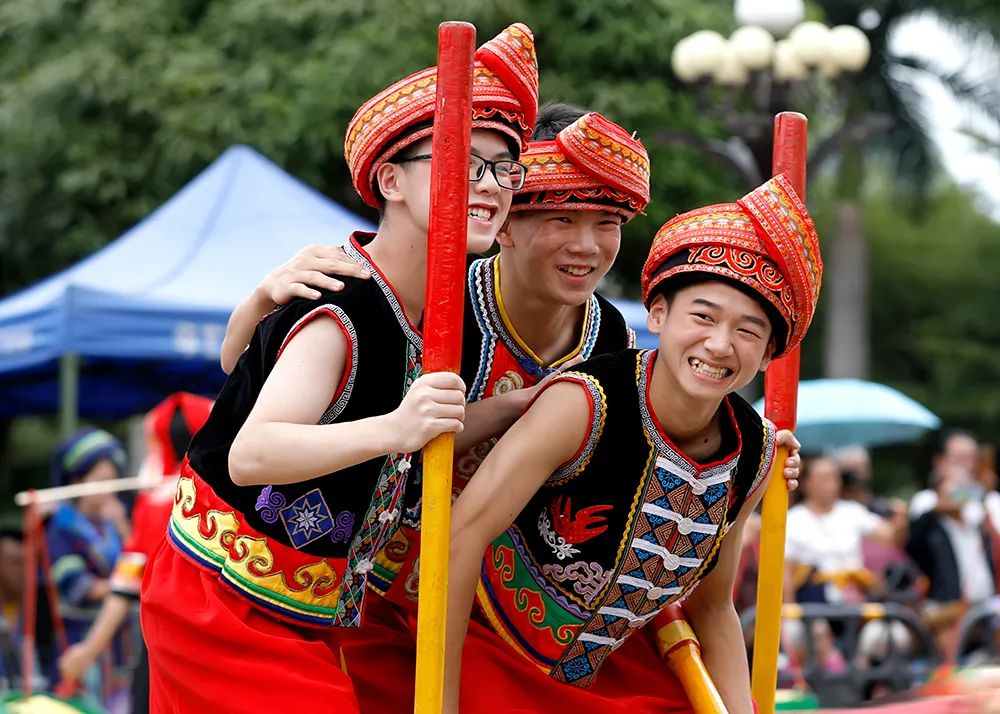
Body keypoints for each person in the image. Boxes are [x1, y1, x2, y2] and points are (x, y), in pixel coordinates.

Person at [139, 23, 539, 714]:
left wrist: (517, 409)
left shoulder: (443, 315)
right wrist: (396, 428)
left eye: (505, 168)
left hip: (310, 608)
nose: (491, 185)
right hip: (224, 596)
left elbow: (246, 371)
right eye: (463, 162)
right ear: (391, 179)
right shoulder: (347, 302)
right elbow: (254, 452)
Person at [444, 175, 822, 713]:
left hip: (605, 677)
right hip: (484, 653)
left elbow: (714, 610)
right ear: (659, 316)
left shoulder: (757, 451)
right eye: (703, 316)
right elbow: (464, 536)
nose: (718, 344)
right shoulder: (582, 403)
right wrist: (440, 699)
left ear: (766, 356)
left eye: (748, 331)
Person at [58, 392, 212, 713]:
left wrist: (87, 651)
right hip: (222, 645)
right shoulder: (231, 497)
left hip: (167, 649)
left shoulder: (156, 504)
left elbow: (125, 586)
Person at [44, 428, 130, 696]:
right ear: (78, 480)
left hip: (117, 644)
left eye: (113, 481)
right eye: (101, 480)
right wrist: (126, 587)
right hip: (78, 641)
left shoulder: (114, 526)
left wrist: (123, 525)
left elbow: (139, 560)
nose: (109, 490)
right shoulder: (61, 529)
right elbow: (78, 587)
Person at [786, 456, 906, 605]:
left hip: (855, 599)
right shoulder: (793, 520)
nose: (833, 483)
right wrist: (790, 617)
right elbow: (786, 574)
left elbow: (892, 537)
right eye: (825, 477)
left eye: (835, 476)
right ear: (807, 483)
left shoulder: (852, 511)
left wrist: (901, 518)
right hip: (814, 603)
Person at [907, 462, 998, 660]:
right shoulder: (930, 526)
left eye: (965, 483)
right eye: (955, 483)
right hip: (948, 611)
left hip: (986, 608)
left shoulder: (980, 523)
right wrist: (940, 506)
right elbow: (912, 538)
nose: (961, 489)